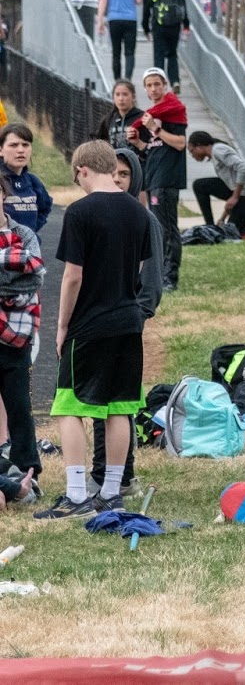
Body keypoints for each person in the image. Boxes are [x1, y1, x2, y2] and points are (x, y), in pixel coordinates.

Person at [33, 141, 150, 519]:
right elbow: (141, 267)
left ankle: (77, 493)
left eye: (76, 176)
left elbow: (72, 276)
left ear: (83, 169)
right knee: (119, 406)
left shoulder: (80, 212)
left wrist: (62, 324)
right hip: (128, 319)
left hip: (89, 323)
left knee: (68, 406)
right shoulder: (138, 211)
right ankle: (112, 492)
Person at [91, 147, 163, 498]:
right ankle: (103, 471)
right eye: (113, 173)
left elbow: (152, 277)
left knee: (119, 403)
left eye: (124, 174)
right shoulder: (101, 214)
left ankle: (123, 474)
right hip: (98, 319)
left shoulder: (143, 218)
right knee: (99, 400)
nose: (117, 179)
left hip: (127, 319)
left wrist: (141, 311)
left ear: (135, 178)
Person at [0, 207, 45, 505]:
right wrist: (13, 274)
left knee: (19, 404)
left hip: (17, 334)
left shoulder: (24, 234)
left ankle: (29, 469)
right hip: (13, 317)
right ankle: (7, 476)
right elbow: (24, 277)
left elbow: (36, 280)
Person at [140, 69, 186, 291]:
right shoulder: (151, 114)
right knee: (159, 228)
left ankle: (170, 278)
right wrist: (139, 142)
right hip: (154, 176)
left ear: (165, 84)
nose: (153, 89)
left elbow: (179, 143)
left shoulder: (173, 110)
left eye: (157, 84)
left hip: (168, 177)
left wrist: (155, 129)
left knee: (168, 229)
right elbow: (153, 148)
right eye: (149, 85)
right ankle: (161, 275)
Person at [188, 131, 245, 230]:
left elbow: (243, 168)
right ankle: (210, 227)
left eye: (192, 151)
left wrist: (235, 197)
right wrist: (222, 219)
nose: (192, 155)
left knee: (233, 232)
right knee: (200, 185)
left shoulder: (218, 150)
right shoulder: (215, 153)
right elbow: (231, 190)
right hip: (240, 193)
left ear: (199, 146)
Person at [142, 0, 188, 90]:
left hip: (158, 26)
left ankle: (159, 84)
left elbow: (146, 11)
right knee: (172, 54)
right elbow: (183, 7)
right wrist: (186, 24)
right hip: (174, 25)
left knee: (159, 55)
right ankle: (175, 81)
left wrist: (146, 28)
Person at [97, 0, 142, 82]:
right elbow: (138, 0)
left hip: (114, 18)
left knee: (116, 53)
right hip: (130, 18)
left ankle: (117, 80)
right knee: (129, 52)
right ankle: (128, 79)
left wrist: (100, 21)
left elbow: (103, 0)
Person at [0, 123, 52, 235]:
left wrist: (30, 232)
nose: (20, 150)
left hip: (29, 250)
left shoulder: (34, 182)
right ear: (1, 150)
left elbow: (45, 208)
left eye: (25, 145)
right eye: (13, 145)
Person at [96, 79, 148, 160]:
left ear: (133, 96)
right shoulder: (109, 119)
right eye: (117, 94)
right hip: (115, 166)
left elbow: (151, 148)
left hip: (139, 165)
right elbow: (100, 141)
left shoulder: (142, 118)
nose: (121, 98)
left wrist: (138, 143)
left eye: (125, 94)